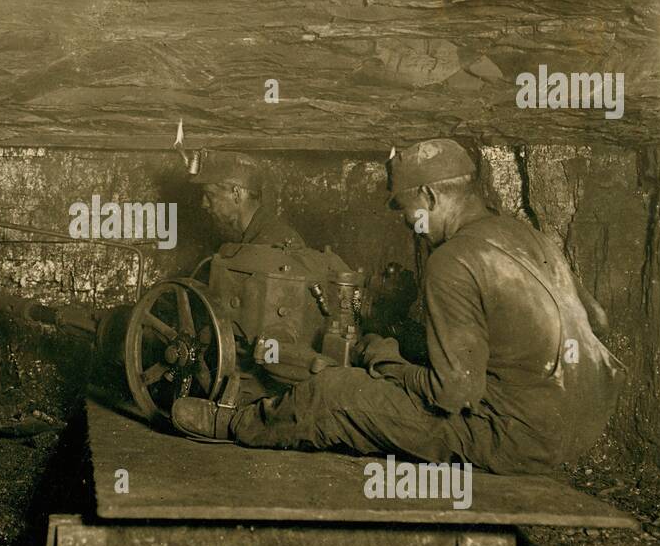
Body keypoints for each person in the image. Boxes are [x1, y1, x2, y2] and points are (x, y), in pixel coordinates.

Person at [170, 139, 625, 476]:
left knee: (334, 391)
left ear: (428, 197)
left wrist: (385, 362)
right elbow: (597, 320)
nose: (408, 222)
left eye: (405, 208)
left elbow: (454, 395)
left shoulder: (454, 260)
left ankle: (236, 425)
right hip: (584, 419)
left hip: (518, 438)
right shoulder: (529, 236)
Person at [190, 151, 304, 248]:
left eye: (210, 195)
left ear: (237, 194)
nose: (204, 204)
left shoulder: (274, 242)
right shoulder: (254, 236)